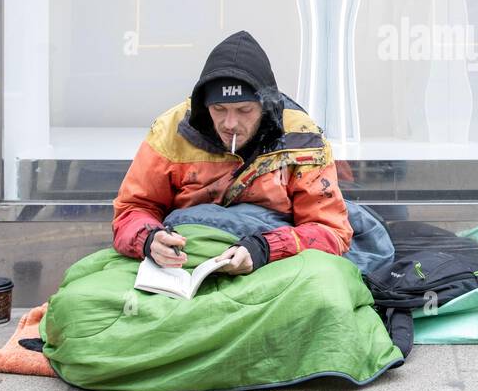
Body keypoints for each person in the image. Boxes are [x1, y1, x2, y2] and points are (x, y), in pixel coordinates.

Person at [111, 30, 352, 274]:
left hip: (274, 262)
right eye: (219, 108)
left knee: (325, 294)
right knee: (81, 300)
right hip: (181, 260)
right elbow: (132, 209)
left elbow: (330, 230)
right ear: (204, 106)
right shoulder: (169, 131)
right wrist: (150, 240)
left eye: (244, 110)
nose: (230, 123)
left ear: (266, 106)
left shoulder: (302, 136)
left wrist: (264, 248)